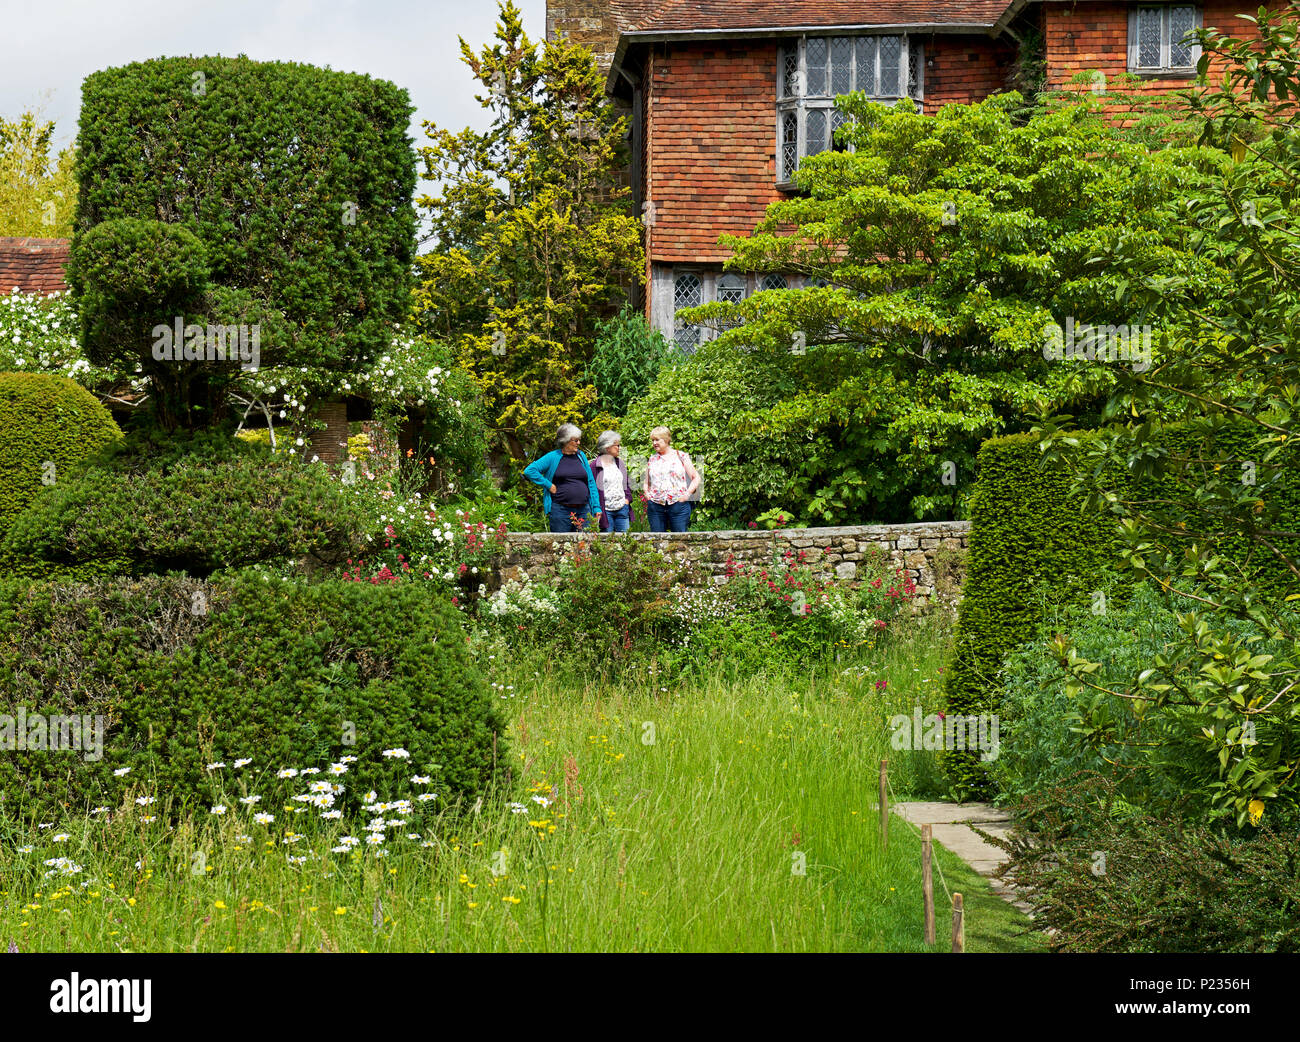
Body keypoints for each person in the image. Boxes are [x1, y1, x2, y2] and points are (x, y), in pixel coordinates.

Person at [523, 424, 600, 533]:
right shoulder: (552, 457)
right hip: (561, 511)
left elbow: (591, 482)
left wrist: (596, 506)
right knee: (562, 546)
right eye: (576, 440)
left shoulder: (581, 456)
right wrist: (548, 485)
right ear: (566, 440)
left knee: (585, 546)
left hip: (584, 510)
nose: (579, 443)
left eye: (579, 440)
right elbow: (529, 471)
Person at [642, 426, 699, 533]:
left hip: (678, 504)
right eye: (652, 440)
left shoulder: (681, 456)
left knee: (680, 541)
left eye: (657, 440)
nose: (654, 443)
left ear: (667, 439)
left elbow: (696, 478)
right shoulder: (652, 459)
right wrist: (647, 494)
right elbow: (647, 482)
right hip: (656, 506)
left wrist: (687, 495)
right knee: (656, 541)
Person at [589, 430, 634, 533]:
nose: (619, 448)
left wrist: (627, 500)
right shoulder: (595, 466)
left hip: (622, 509)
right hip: (606, 512)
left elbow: (626, 484)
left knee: (625, 542)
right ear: (607, 447)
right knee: (608, 544)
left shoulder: (619, 463)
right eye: (616, 445)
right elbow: (592, 489)